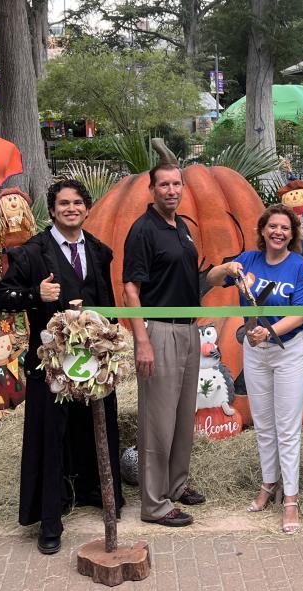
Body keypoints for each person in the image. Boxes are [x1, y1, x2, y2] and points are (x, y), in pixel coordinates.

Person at [0, 179, 123, 555]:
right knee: (51, 435)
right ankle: (50, 520)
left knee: (97, 423)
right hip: (50, 364)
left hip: (93, 360)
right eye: (63, 203)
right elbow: (2, 297)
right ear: (52, 210)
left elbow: (107, 304)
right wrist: (36, 295)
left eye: (78, 203)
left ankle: (92, 490)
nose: (71, 208)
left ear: (86, 208)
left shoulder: (97, 251)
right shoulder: (34, 252)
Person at [205, 204, 303, 534]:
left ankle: (291, 496)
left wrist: (271, 331)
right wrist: (227, 266)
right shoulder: (248, 261)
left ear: (292, 234)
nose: (278, 232)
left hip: (290, 351)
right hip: (255, 352)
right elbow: (210, 279)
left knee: (287, 426)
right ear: (263, 231)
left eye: (285, 228)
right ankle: (269, 484)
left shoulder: (298, 265)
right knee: (264, 423)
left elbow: (302, 313)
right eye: (273, 227)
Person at [123, 162, 207, 527]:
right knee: (158, 419)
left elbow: (188, 279)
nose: (171, 190)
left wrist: (219, 274)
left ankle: (176, 484)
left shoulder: (182, 226)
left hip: (188, 330)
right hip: (159, 330)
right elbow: (130, 288)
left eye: (177, 184)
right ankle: (154, 503)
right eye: (164, 185)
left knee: (182, 414)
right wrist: (142, 340)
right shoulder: (143, 230)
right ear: (152, 189)